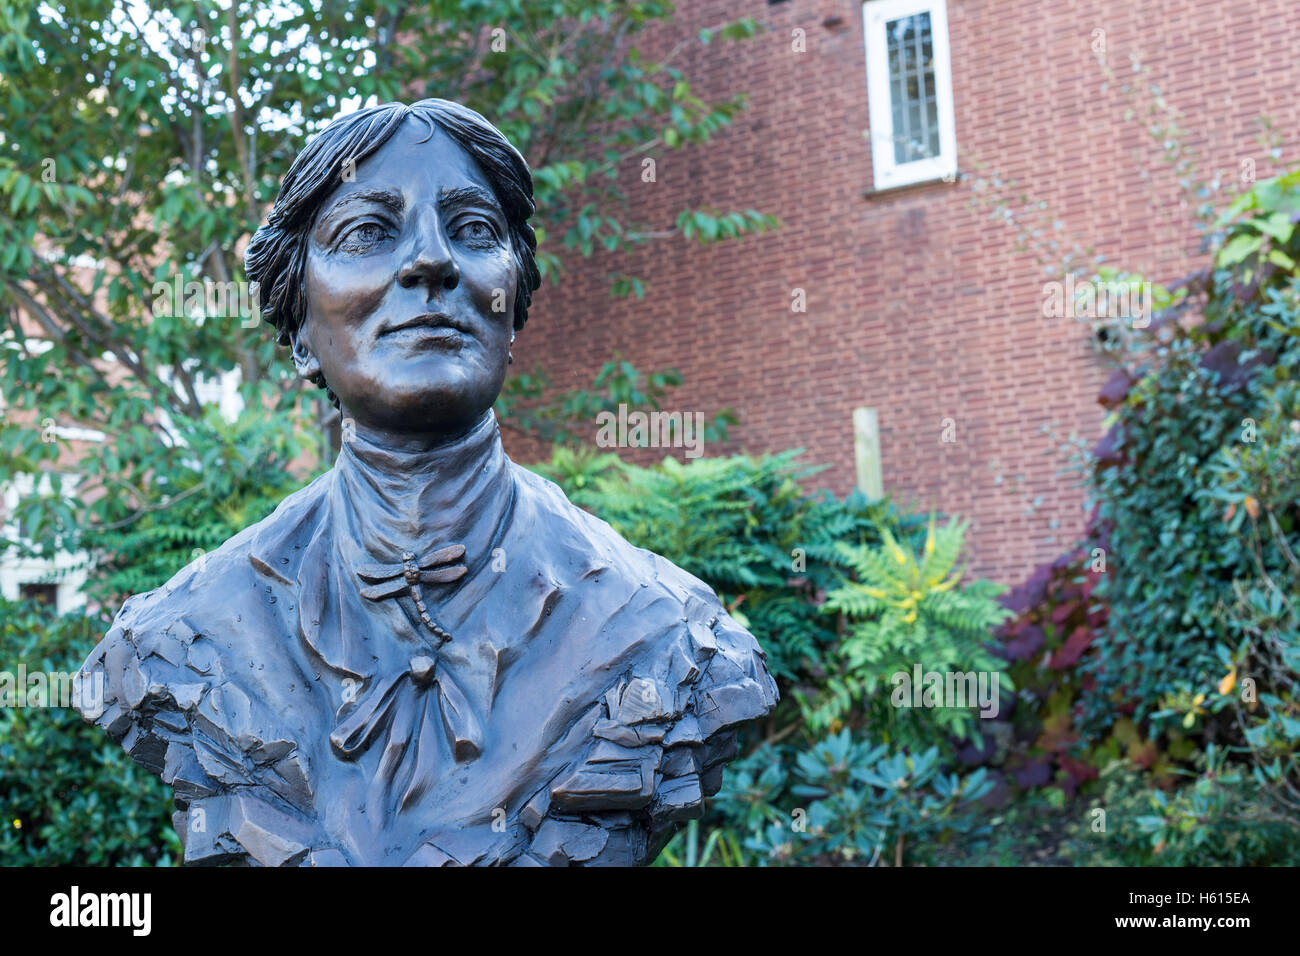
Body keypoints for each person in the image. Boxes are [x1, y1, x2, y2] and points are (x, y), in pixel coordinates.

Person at [75, 98, 778, 866]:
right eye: (367, 233)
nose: (430, 262)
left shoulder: (669, 638)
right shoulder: (180, 635)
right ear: (301, 326)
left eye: (473, 230)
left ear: (512, 310)